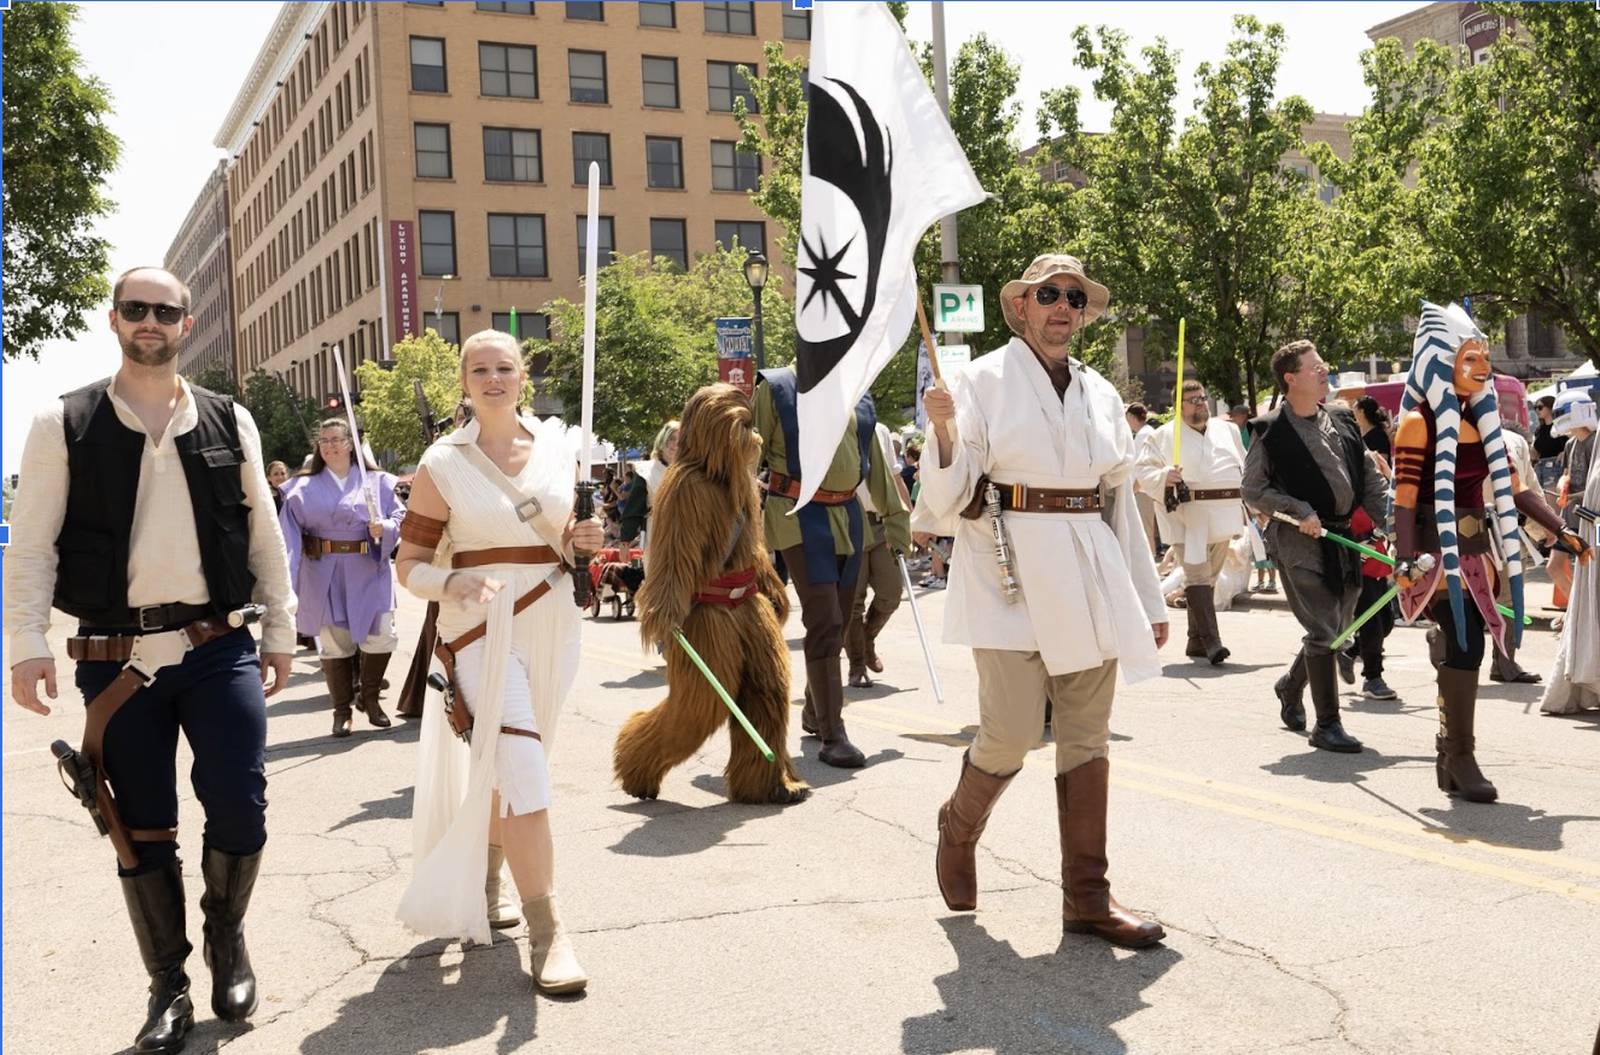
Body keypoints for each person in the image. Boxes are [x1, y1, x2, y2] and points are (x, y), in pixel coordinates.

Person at [5, 266, 296, 1052]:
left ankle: (225, 936)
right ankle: (168, 984)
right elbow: (29, 545)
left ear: (187, 324)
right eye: (135, 308)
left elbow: (265, 536)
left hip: (217, 645)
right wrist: (26, 644)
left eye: (164, 311)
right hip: (117, 656)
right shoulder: (61, 421)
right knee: (141, 826)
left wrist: (281, 631)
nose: (149, 321)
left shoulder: (230, 420)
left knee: (240, 804)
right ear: (114, 319)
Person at [919, 254, 1169, 949]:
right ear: (1021, 306)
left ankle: (1087, 896)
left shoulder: (1099, 393)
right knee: (1012, 730)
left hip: (1090, 565)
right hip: (1010, 566)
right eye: (1049, 294)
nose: (1064, 306)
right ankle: (958, 826)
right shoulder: (980, 379)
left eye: (1076, 297)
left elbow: (1118, 503)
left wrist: (1147, 599)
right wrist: (941, 429)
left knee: (1087, 733)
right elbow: (949, 488)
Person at [393, 330, 602, 994]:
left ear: (522, 377)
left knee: (509, 763)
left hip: (552, 619)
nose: (492, 377)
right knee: (523, 765)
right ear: (463, 381)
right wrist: (445, 583)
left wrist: (584, 542)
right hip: (479, 626)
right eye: (479, 368)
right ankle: (550, 933)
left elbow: (566, 545)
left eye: (504, 367)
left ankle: (487, 874)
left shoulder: (558, 451)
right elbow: (410, 565)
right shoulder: (439, 464)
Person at [1390, 303, 1587, 802]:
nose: (1483, 367)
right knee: (1464, 645)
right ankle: (1459, 755)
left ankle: (1450, 754)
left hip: (1478, 549)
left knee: (1466, 646)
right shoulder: (1418, 423)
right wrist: (1406, 560)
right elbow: (1405, 499)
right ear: (1439, 363)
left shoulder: (1486, 421)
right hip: (1435, 553)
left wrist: (1561, 530)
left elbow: (1519, 490)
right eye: (1469, 358)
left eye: (1483, 356)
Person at [613, 383, 810, 804]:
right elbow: (671, 562)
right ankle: (638, 756)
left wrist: (770, 587)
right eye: (741, 429)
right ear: (714, 433)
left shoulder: (739, 480)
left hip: (747, 602)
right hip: (707, 612)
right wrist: (664, 614)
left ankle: (763, 779)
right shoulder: (687, 487)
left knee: (770, 691)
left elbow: (753, 547)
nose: (753, 439)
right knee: (698, 713)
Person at [754, 365, 909, 769]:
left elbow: (872, 462)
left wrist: (896, 520)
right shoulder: (778, 388)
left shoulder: (857, 391)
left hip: (847, 515)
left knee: (837, 623)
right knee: (825, 620)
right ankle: (833, 734)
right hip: (795, 514)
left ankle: (813, 710)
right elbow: (745, 457)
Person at [1243, 339, 1388, 753]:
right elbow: (1253, 489)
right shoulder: (1270, 430)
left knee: (1337, 630)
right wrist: (1296, 509)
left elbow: (1370, 480)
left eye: (1323, 364)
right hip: (1298, 541)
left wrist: (1385, 524)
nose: (1324, 370)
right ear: (1291, 378)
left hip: (1343, 538)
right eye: (1315, 366)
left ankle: (1290, 686)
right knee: (1324, 626)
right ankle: (1327, 725)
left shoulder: (1342, 418)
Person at [279, 419, 404, 737]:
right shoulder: (300, 487)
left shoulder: (377, 481)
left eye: (337, 439)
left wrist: (386, 528)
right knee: (335, 641)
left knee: (381, 633)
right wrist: (287, 578)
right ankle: (341, 711)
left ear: (351, 444)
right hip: (323, 570)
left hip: (368, 567)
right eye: (324, 440)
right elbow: (288, 535)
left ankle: (371, 699)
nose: (331, 445)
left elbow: (402, 516)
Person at [1134, 378, 1246, 665]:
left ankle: (1195, 640)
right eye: (1194, 400)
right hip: (1187, 513)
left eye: (1202, 398)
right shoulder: (1162, 437)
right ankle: (1213, 642)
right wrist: (1164, 477)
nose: (1201, 403)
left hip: (1223, 511)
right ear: (1179, 406)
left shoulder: (1228, 430)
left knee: (1209, 576)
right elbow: (1143, 472)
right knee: (1196, 574)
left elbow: (1243, 464)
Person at [844, 420, 914, 687]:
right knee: (853, 601)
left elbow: (895, 478)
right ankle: (857, 665)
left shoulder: (881, 430)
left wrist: (909, 521)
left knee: (892, 592)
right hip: (849, 522)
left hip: (882, 523)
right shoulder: (837, 425)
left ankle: (867, 638)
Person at [1541, 414, 1600, 715]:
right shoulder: (1576, 443)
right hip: (1582, 524)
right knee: (1557, 567)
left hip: (1584, 523)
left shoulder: (1591, 442)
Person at [1343, 395, 1399, 698]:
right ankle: (1373, 677)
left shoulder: (1372, 458)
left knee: (1385, 621)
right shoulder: (1337, 467)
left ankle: (1350, 653)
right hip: (1351, 551)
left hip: (1376, 550)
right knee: (1371, 618)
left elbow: (1390, 495)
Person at [1544, 390, 1596, 610]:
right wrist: (1563, 482)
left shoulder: (1596, 442)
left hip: (1595, 519)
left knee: (1595, 570)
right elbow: (1567, 472)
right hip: (1571, 520)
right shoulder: (1570, 444)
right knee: (1554, 566)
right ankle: (1578, 611)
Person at [619, 420, 679, 569]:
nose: (675, 444)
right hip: (657, 532)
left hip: (686, 534)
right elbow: (634, 508)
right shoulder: (646, 472)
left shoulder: (691, 472)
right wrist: (625, 540)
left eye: (680, 441)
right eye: (671, 439)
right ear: (662, 440)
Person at [1125, 402, 1159, 556]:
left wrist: (1135, 487)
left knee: (1145, 530)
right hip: (1143, 488)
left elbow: (1142, 464)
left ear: (1132, 417)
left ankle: (1150, 563)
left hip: (1143, 489)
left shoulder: (1144, 434)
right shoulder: (1145, 433)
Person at [1532, 394, 1568, 461]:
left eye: (1540, 407)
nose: (1537, 410)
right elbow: (1536, 452)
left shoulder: (1561, 426)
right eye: (1535, 408)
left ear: (1550, 407)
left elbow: (1571, 444)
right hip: (1542, 467)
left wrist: (1565, 453)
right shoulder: (1539, 430)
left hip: (1559, 465)